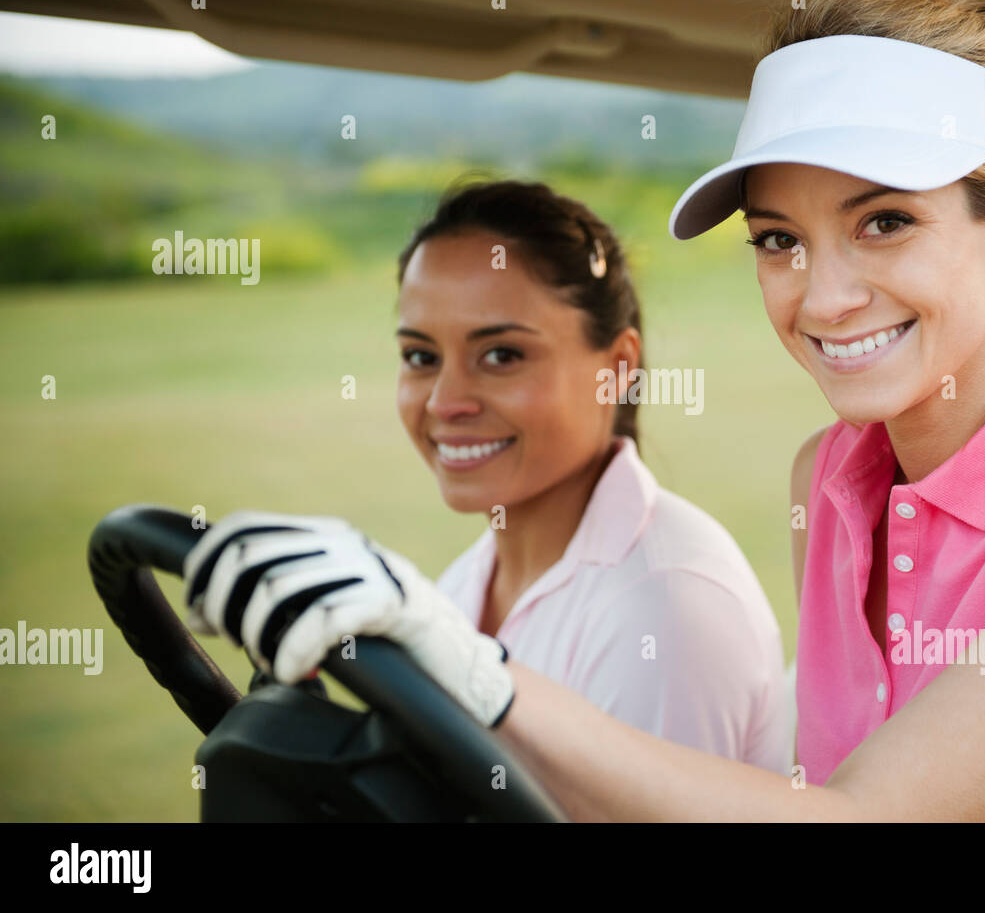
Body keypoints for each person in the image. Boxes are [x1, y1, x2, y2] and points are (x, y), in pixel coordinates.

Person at [181, 0, 985, 821]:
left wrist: (475, 670)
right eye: (779, 240)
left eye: (884, 222)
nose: (821, 297)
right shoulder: (826, 478)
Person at [185, 177, 793, 775]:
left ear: (618, 365)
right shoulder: (461, 586)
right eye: (421, 357)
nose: (446, 401)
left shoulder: (665, 608)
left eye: (501, 355)